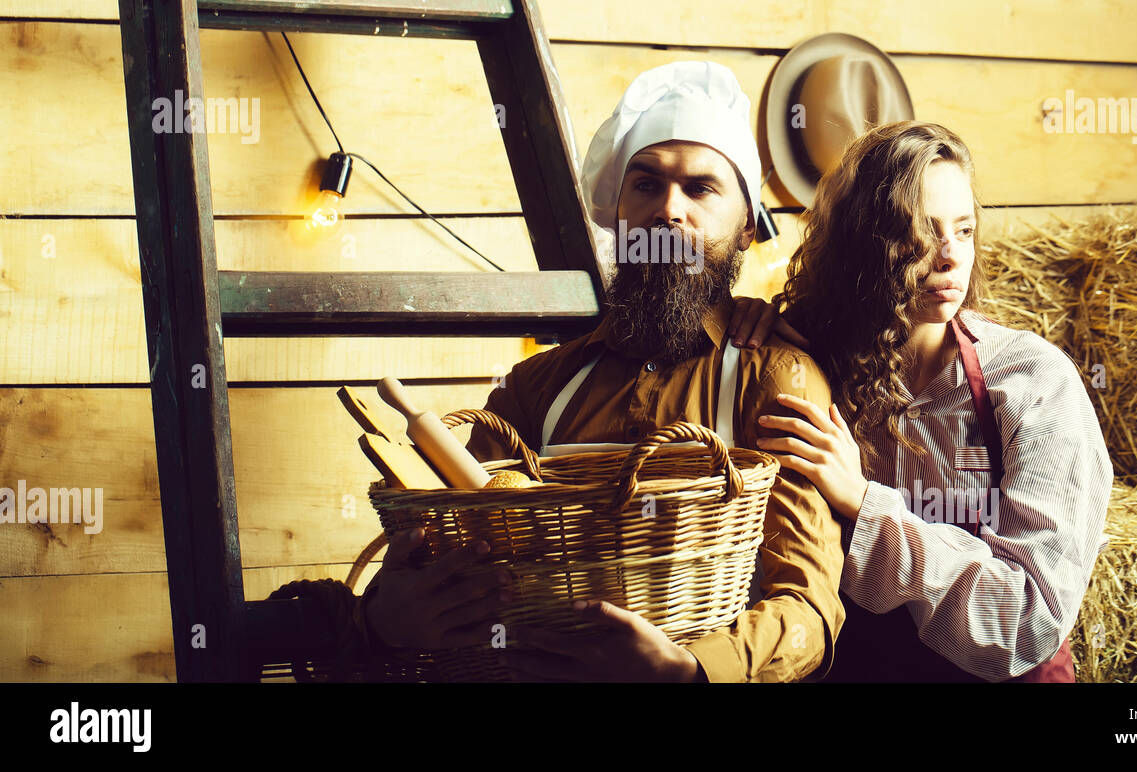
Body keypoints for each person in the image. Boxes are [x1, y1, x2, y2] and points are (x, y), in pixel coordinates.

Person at [357, 61, 846, 682]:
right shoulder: (537, 389)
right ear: (617, 213)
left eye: (701, 190)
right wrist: (384, 618)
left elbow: (809, 608)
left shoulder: (772, 378)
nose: (669, 211)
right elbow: (437, 546)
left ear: (747, 226)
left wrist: (690, 671)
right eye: (645, 185)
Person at [727, 121, 1112, 682]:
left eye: (964, 230)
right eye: (921, 235)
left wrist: (864, 502)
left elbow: (1024, 621)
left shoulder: (1032, 380)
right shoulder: (808, 366)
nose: (951, 258)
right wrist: (737, 322)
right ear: (861, 245)